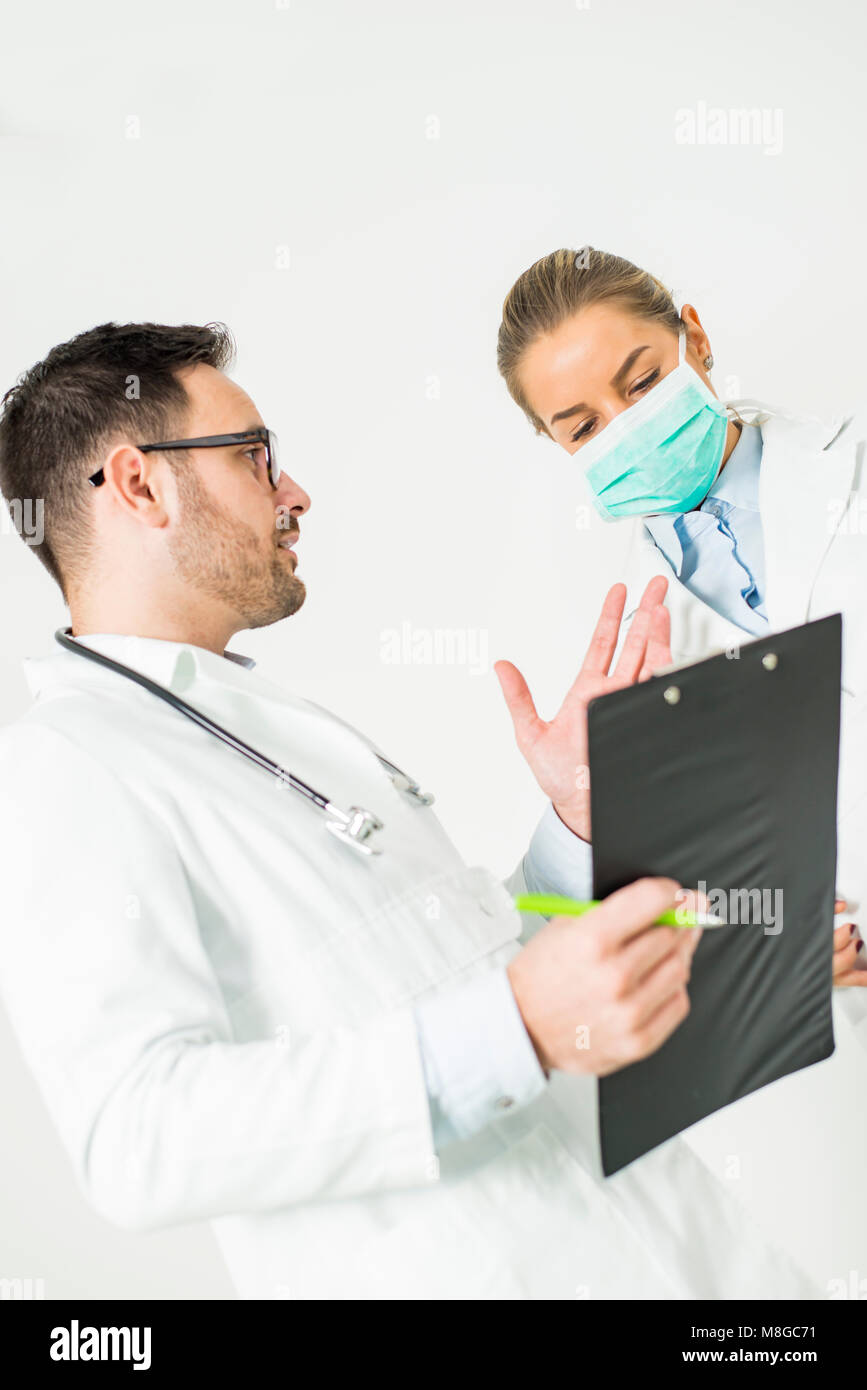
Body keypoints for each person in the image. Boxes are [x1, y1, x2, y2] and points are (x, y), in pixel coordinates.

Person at [0, 322, 816, 1300]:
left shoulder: (259, 717)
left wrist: (572, 826)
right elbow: (136, 1137)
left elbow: (465, 981)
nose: (296, 493)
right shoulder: (70, 761)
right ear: (138, 485)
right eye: (256, 457)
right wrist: (514, 1026)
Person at [494, 246, 867, 1278]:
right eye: (582, 424)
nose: (626, 427)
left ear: (694, 337)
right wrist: (778, 942)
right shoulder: (626, 625)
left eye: (643, 379)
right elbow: (685, 886)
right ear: (553, 442)